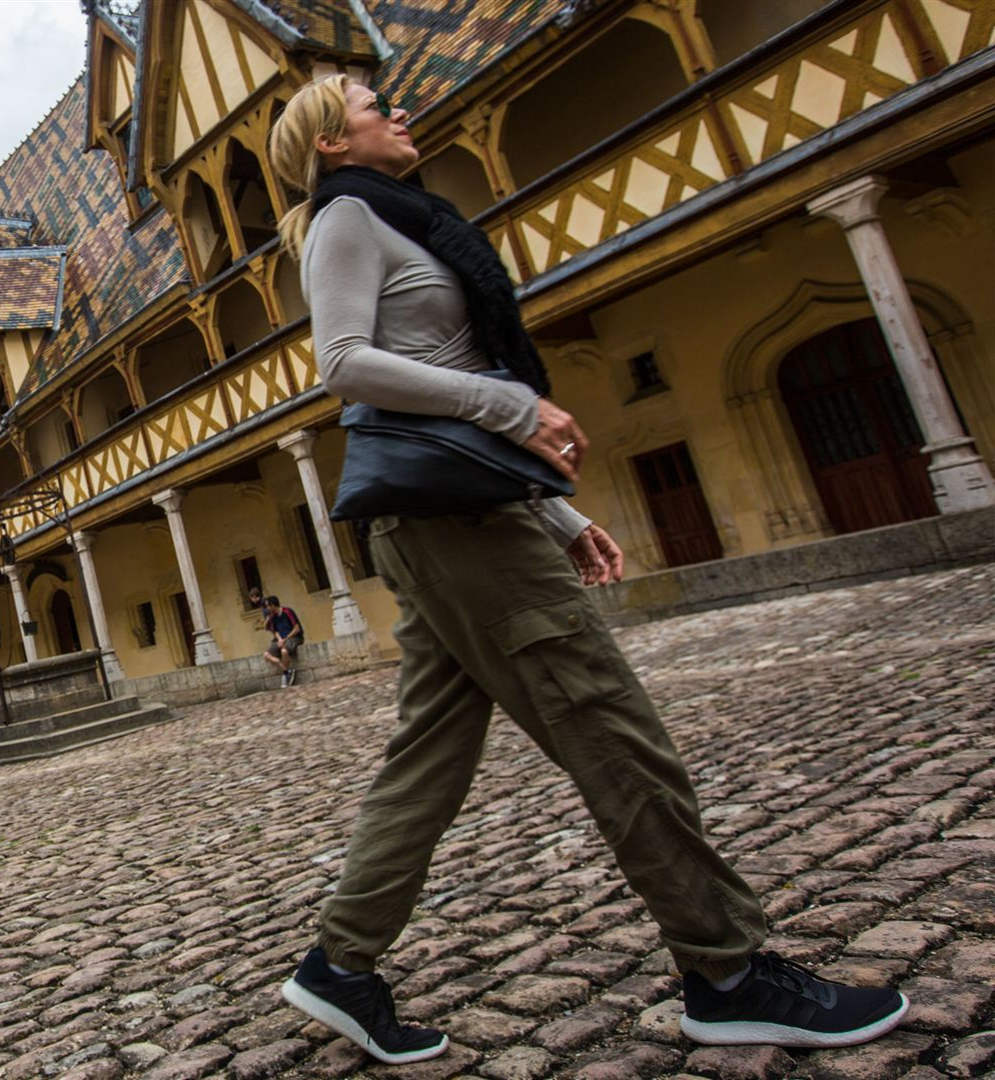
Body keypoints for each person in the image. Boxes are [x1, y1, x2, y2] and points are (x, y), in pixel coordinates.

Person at [261, 74, 908, 1064]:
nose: (396, 109)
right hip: (461, 528)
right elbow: (344, 363)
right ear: (328, 143)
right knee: (611, 731)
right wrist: (513, 410)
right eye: (369, 102)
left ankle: (341, 964)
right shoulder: (346, 216)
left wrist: (554, 510)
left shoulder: (403, 217)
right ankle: (728, 974)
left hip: (460, 515)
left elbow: (446, 377)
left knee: (429, 756)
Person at [260, 595, 304, 687]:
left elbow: (297, 629)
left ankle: (286, 675)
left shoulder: (287, 611)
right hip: (281, 639)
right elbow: (274, 631)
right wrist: (280, 639)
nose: (267, 608)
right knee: (266, 655)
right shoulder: (273, 617)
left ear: (273, 605)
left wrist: (285, 639)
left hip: (294, 637)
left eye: (268, 606)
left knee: (284, 651)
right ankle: (285, 670)